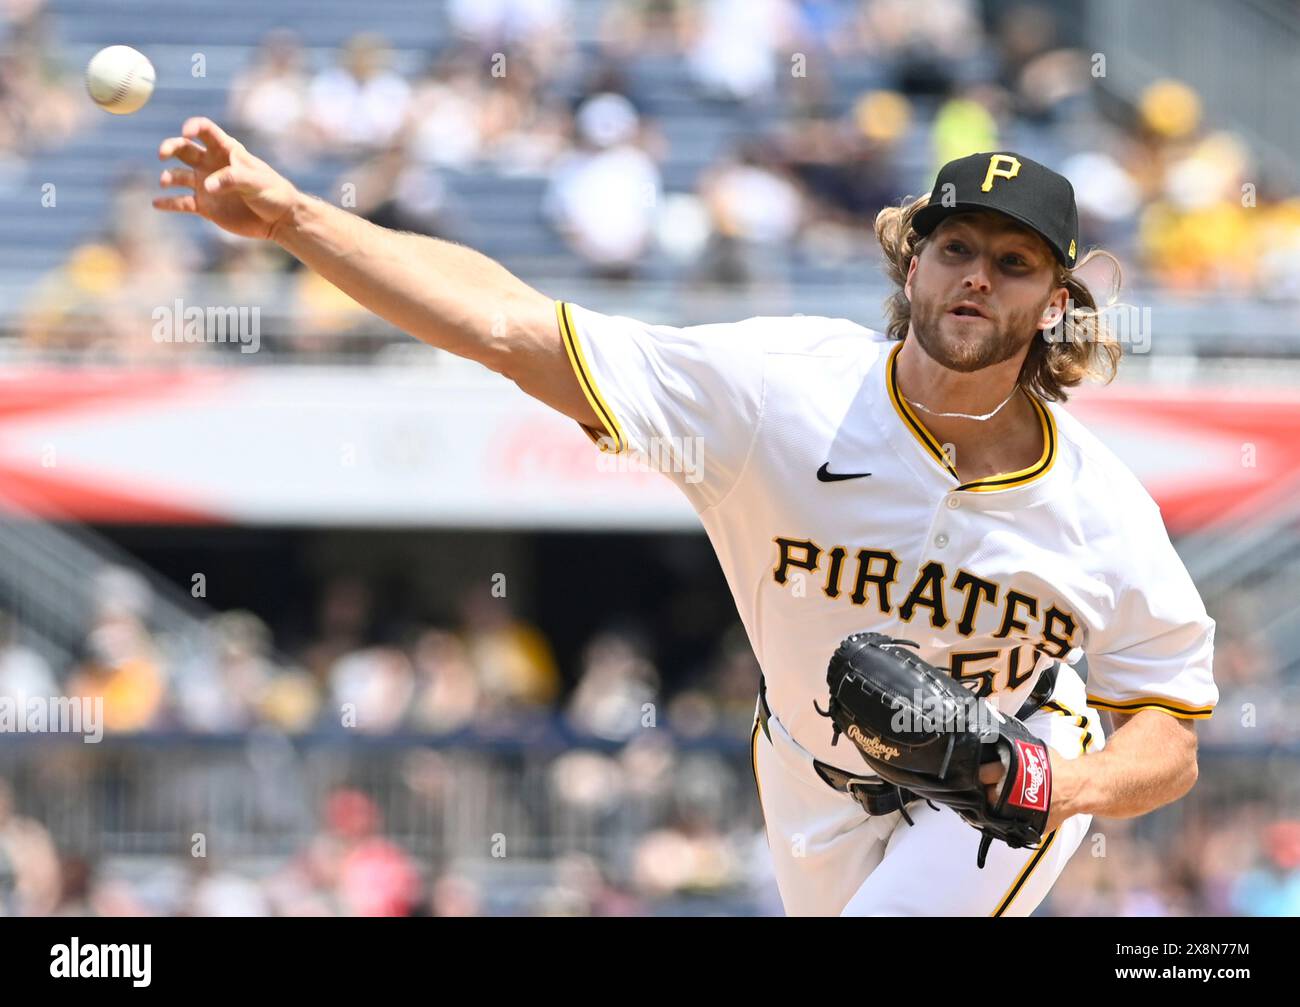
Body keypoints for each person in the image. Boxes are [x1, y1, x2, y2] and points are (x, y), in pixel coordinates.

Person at [153, 121, 1217, 916]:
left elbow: (1168, 732)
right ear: (912, 261)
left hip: (1010, 759)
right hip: (805, 762)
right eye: (954, 247)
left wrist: (1052, 780)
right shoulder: (774, 392)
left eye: (1014, 261)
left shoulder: (1097, 506)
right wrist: (296, 217)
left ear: (1057, 302)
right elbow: (503, 323)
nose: (976, 275)